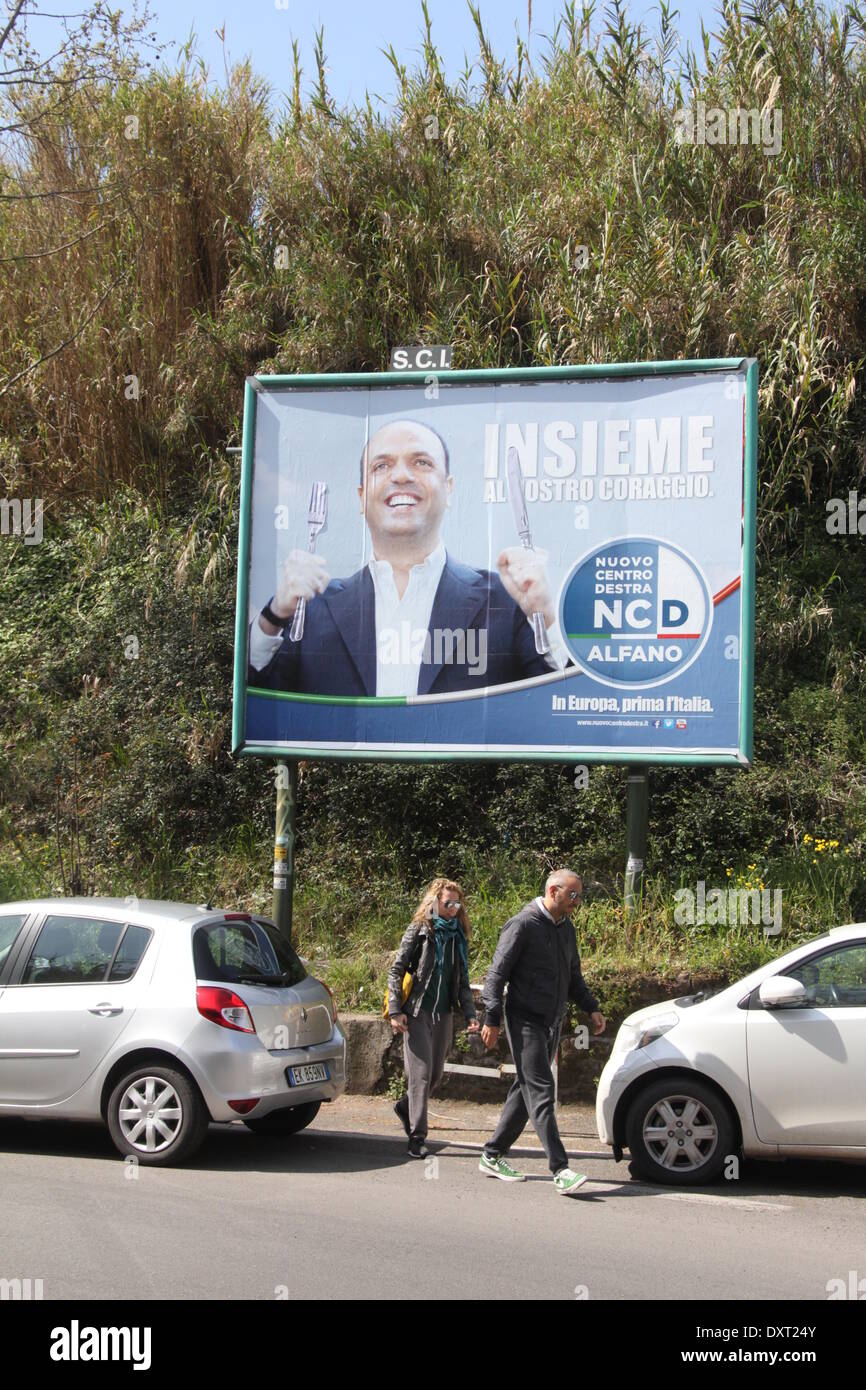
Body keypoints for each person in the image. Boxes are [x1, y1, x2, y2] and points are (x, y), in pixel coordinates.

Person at [248, 418, 569, 696]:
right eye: (381, 466)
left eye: (421, 462)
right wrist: (274, 615)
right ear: (361, 498)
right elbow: (264, 705)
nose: (400, 476)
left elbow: (560, 707)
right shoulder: (312, 606)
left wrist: (548, 617)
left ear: (449, 489)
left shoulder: (505, 599)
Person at [479, 869, 605, 1196]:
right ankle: (560, 1169)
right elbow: (496, 976)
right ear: (553, 891)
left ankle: (492, 1154)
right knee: (542, 1088)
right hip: (524, 1020)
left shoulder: (565, 928)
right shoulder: (522, 925)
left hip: (551, 1020)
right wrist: (491, 1018)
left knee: (526, 1089)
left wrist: (591, 1007)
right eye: (572, 895)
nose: (577, 901)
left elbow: (573, 976)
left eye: (579, 895)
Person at [386, 877, 480, 1158]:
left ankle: (405, 1106)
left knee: (436, 1075)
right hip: (417, 1012)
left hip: (443, 1013)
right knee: (421, 1076)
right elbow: (396, 970)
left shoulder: (458, 937)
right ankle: (417, 1137)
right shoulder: (420, 929)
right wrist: (395, 1010)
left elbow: (462, 981)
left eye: (456, 903)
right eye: (447, 902)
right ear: (435, 903)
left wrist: (471, 1014)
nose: (452, 908)